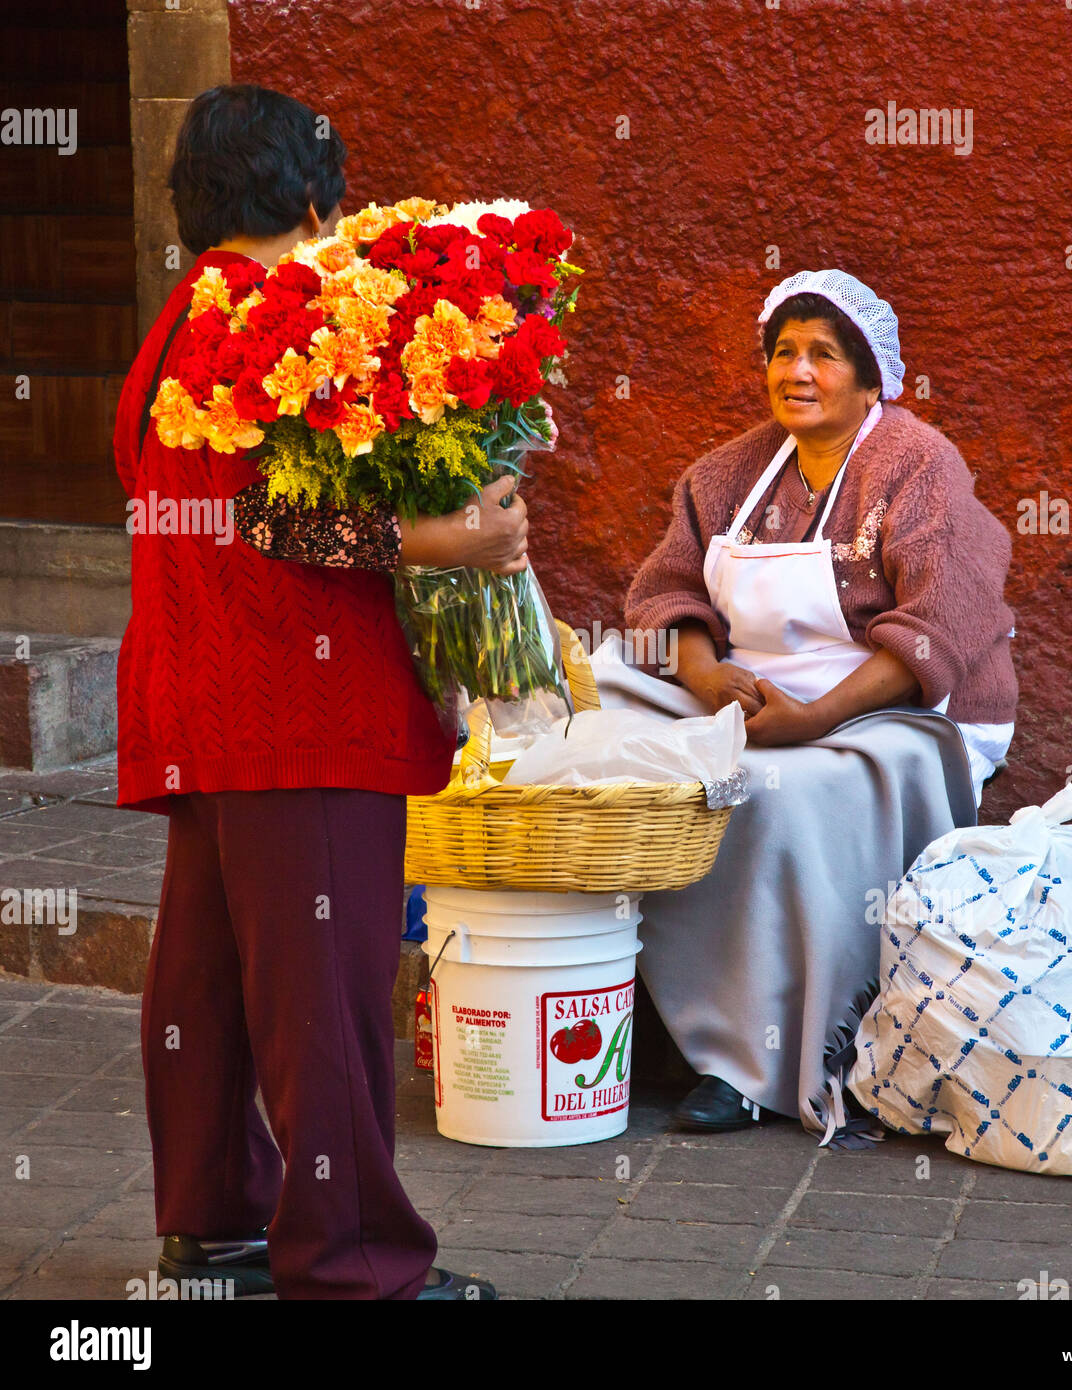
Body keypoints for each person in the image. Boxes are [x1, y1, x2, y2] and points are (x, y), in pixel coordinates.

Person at [114, 84, 527, 1299]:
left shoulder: (174, 322)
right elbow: (277, 517)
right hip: (293, 698)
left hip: (201, 694)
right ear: (307, 194)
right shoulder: (268, 316)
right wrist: (444, 541)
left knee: (205, 973)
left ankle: (216, 1220)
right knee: (322, 996)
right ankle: (353, 1266)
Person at [592, 268, 1018, 1143]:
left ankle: (752, 1066)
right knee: (604, 728)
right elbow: (662, 598)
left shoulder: (918, 466)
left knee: (770, 799)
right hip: (747, 694)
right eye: (783, 352)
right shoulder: (726, 473)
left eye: (824, 355)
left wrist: (813, 721)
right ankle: (612, 1014)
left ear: (871, 378)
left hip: (899, 709)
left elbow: (940, 626)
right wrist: (709, 681)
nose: (797, 371)